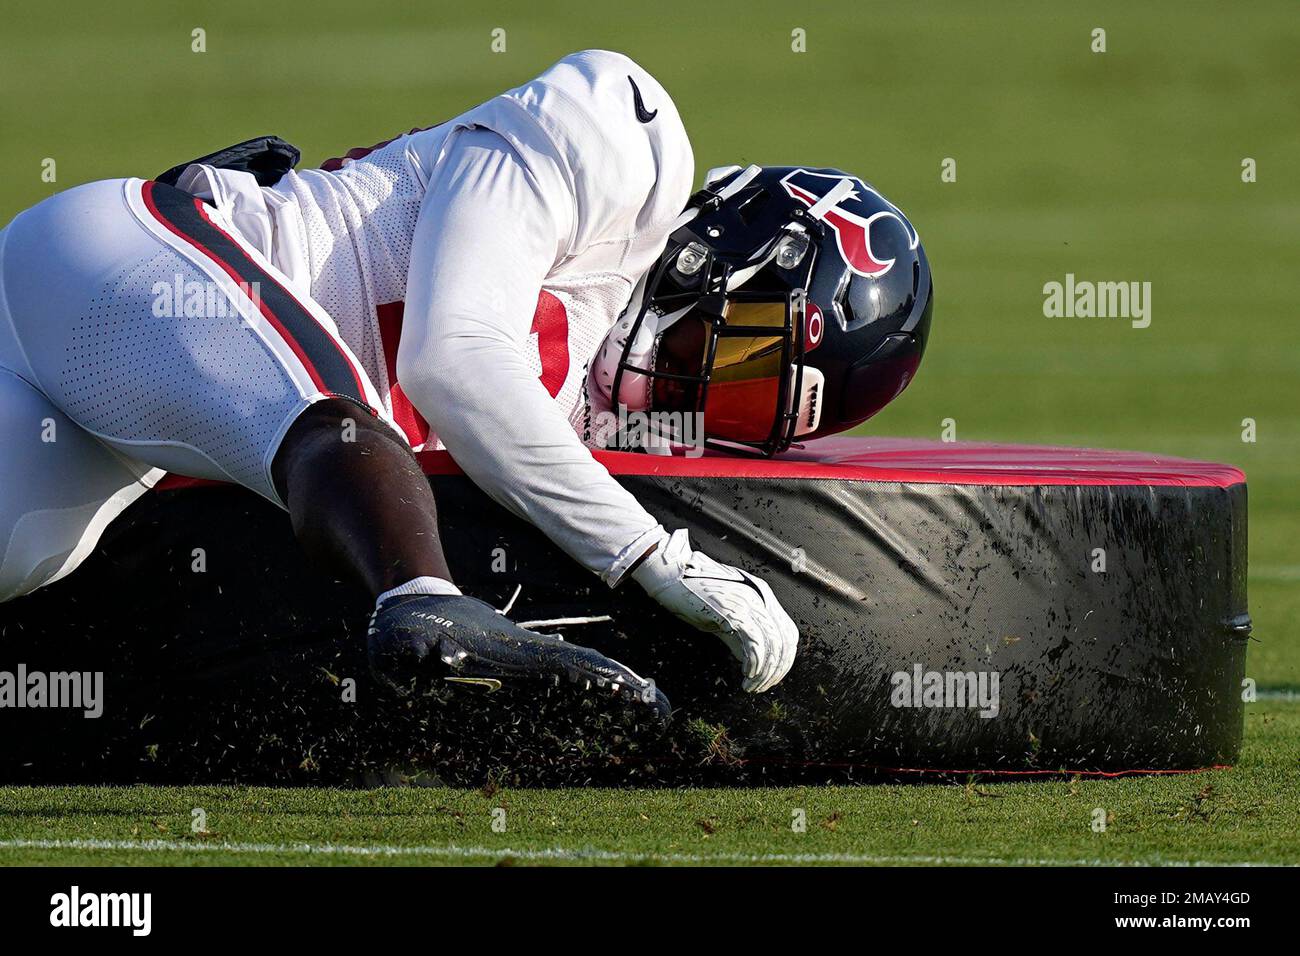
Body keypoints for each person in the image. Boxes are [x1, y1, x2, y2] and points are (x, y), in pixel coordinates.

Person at [0, 50, 931, 714]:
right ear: (720, 248)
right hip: (127, 264)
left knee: (20, 553)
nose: (701, 394)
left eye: (745, 409)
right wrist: (654, 558)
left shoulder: (585, 426)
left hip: (112, 411)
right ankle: (418, 604)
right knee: (337, 413)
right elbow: (454, 357)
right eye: (742, 353)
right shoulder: (618, 140)